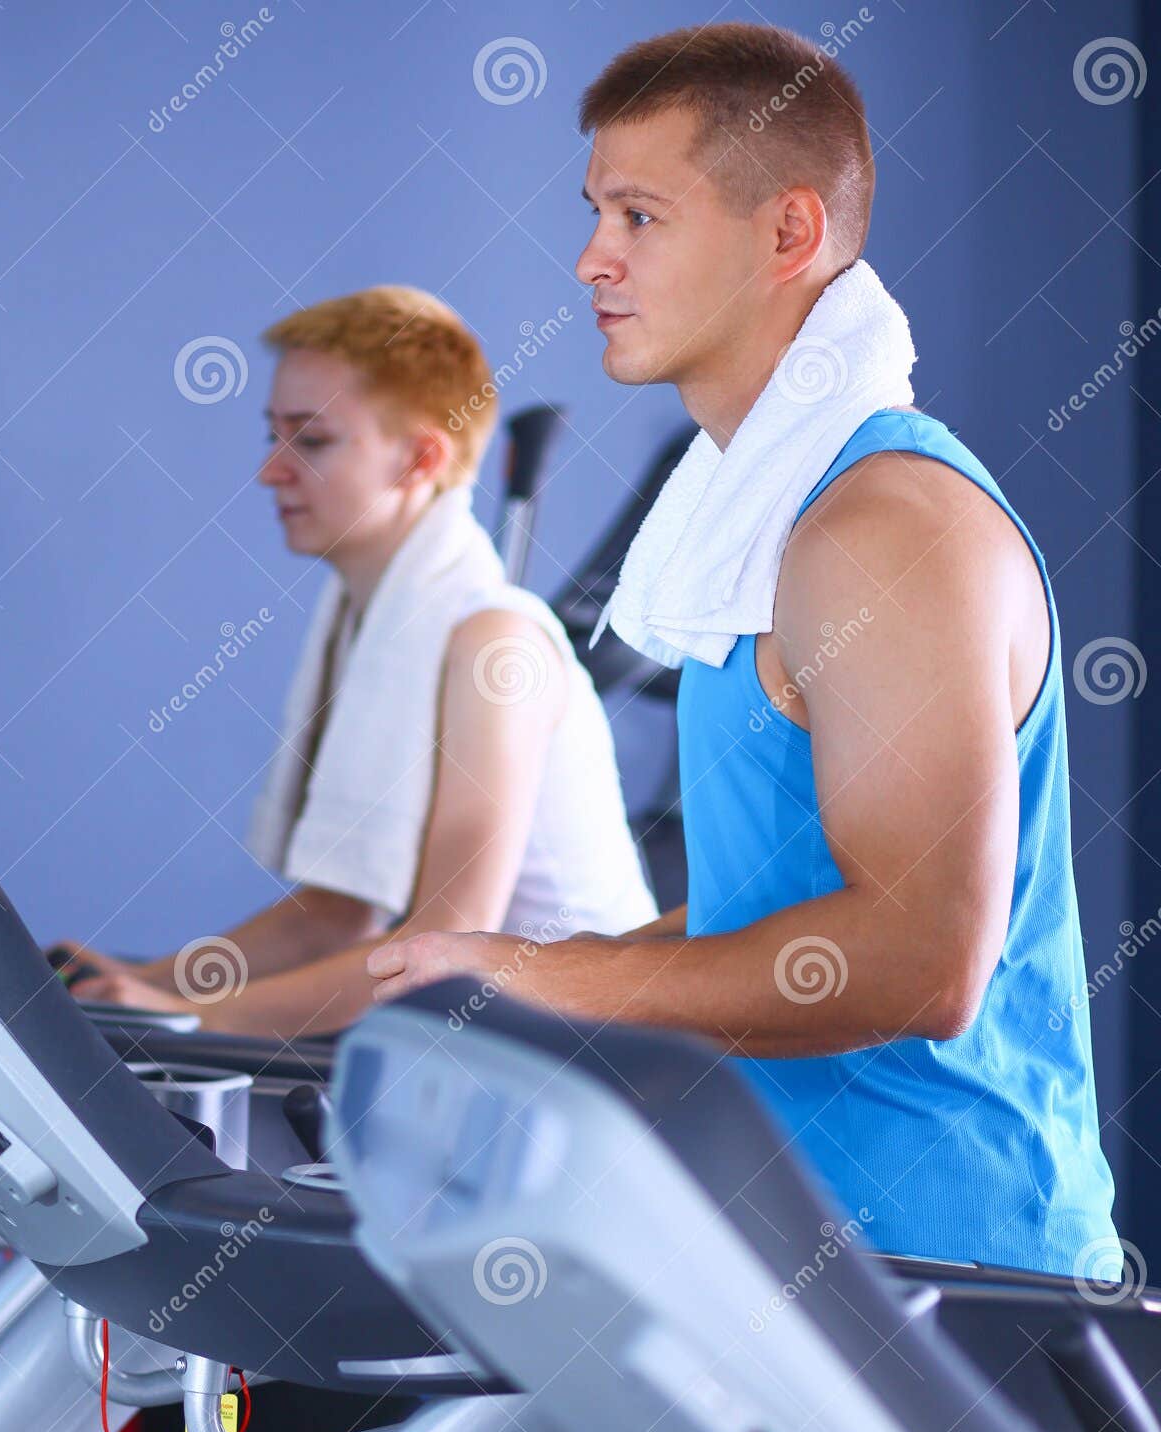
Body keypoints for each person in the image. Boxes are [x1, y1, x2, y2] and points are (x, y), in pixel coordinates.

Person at [369, 24, 1120, 1280]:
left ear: (786, 234)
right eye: (596, 212)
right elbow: (762, 913)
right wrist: (528, 974)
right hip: (790, 1268)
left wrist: (543, 984)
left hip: (962, 1290)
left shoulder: (880, 530)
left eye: (640, 216)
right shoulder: (763, 522)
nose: (590, 258)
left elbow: (918, 959)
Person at [58, 285, 656, 1038]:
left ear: (421, 458)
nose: (270, 472)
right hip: (487, 1053)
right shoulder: (366, 624)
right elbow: (336, 915)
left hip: (596, 1067)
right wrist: (135, 982)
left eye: (310, 441)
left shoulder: (494, 645)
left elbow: (451, 948)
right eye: (272, 436)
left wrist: (185, 1014)